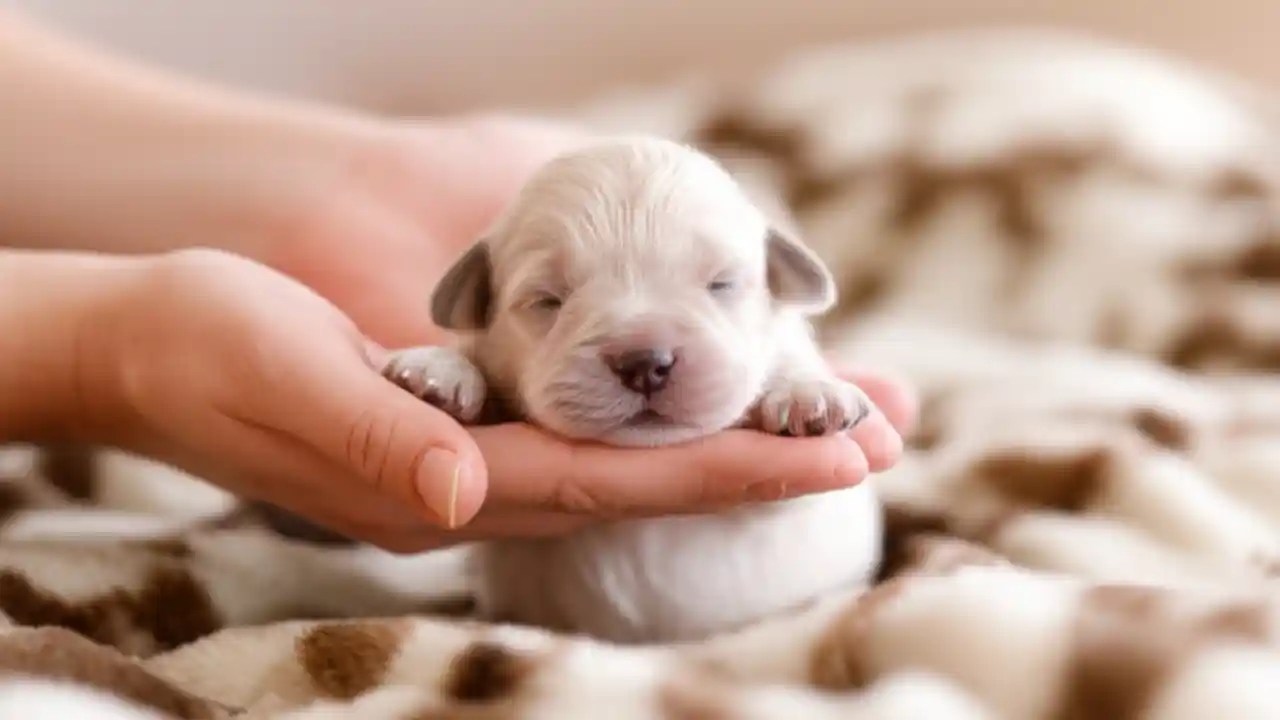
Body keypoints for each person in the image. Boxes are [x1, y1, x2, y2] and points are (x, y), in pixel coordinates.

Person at [0, 9, 916, 553]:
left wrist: (348, 184)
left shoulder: (783, 334)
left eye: (719, 288)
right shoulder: (469, 333)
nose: (647, 353)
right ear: (473, 302)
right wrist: (87, 350)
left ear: (784, 275)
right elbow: (463, 356)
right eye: (548, 301)